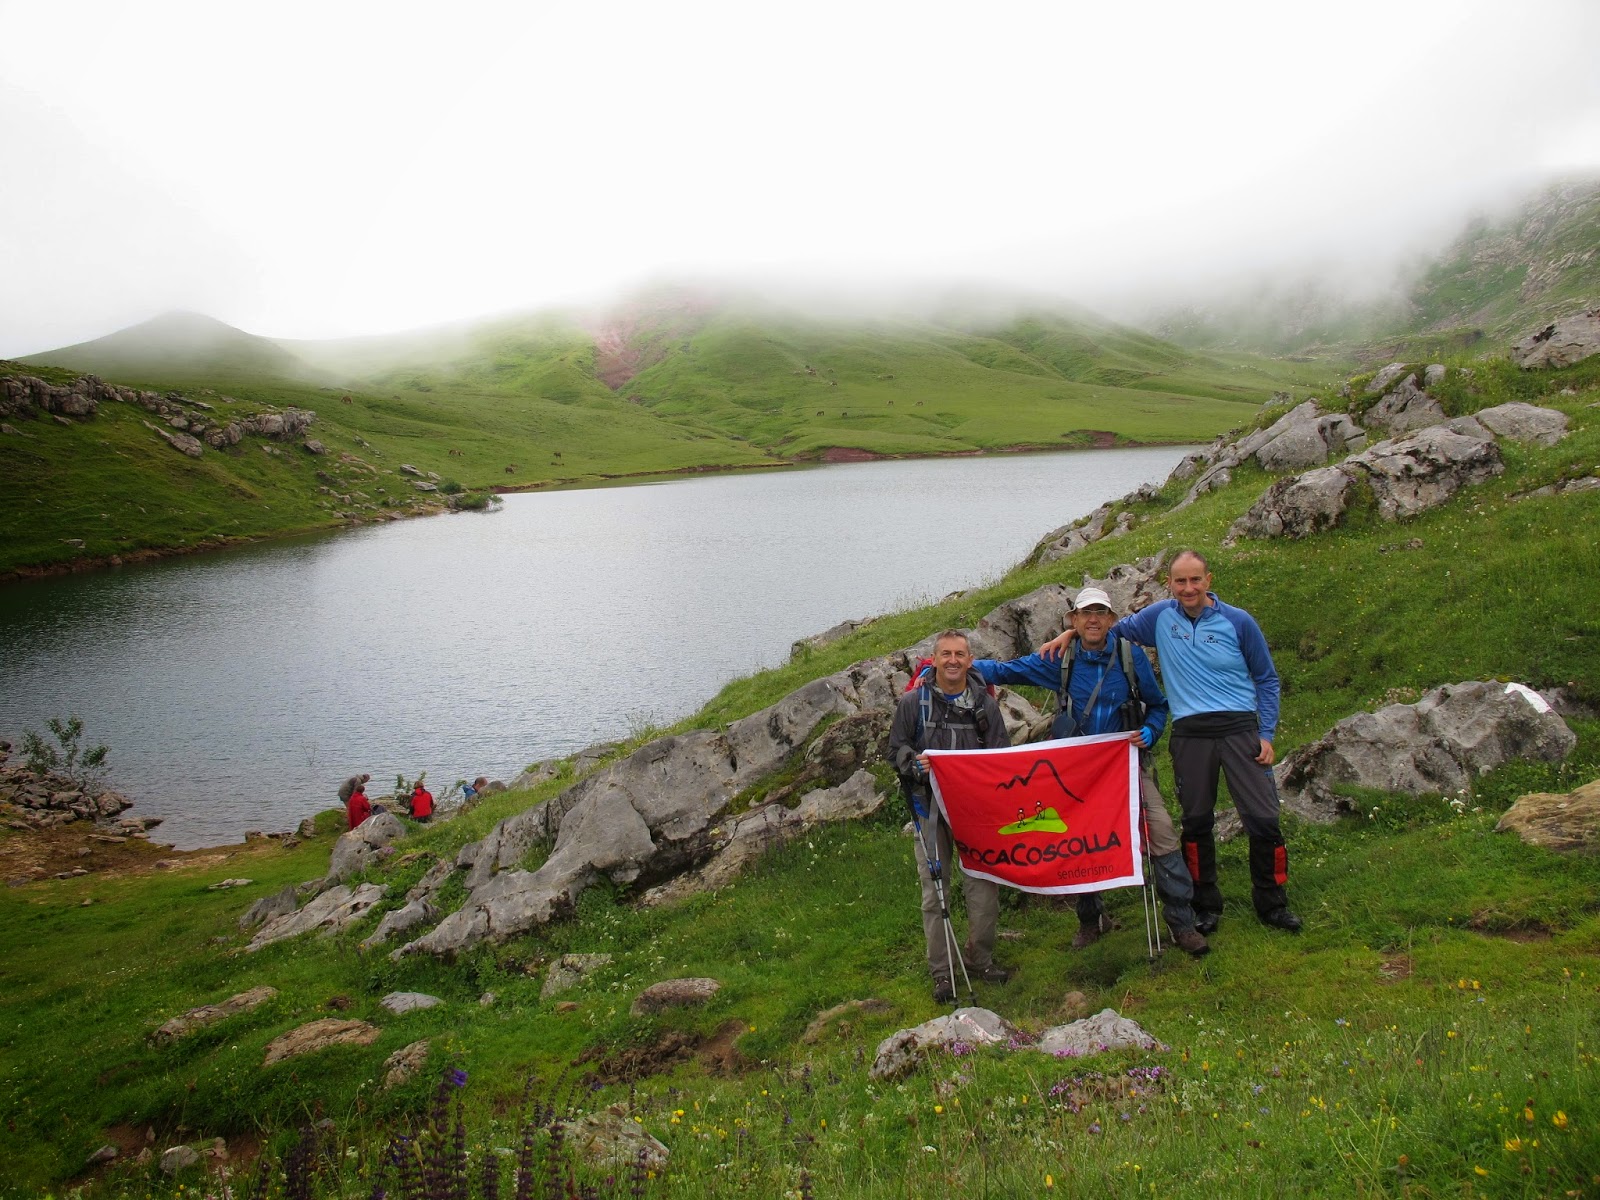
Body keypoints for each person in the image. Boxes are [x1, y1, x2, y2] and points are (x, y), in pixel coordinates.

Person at [1040, 551, 1301, 934]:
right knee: (1196, 821)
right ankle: (1206, 906)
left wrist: (1266, 734)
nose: (1188, 588)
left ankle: (1273, 904)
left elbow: (1266, 677)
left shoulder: (1238, 621)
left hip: (1240, 728)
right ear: (1170, 584)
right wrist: (1071, 634)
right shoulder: (1160, 616)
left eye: (1195, 580)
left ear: (1208, 580)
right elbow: (1107, 629)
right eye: (1181, 581)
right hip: (1190, 732)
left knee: (1263, 819)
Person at [972, 586, 1209, 957]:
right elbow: (1007, 671)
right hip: (1076, 775)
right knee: (1079, 842)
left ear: (1111, 619)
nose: (1093, 619)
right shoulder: (1060, 659)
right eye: (1086, 613)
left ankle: (1182, 923)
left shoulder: (1130, 657)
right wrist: (955, 667)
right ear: (1075, 620)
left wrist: (1151, 731)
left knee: (1161, 835)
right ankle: (1090, 919)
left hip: (1125, 767)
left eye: (1100, 612)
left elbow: (1157, 705)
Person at [889, 629, 1013, 1002]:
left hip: (975, 813)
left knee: (984, 888)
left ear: (970, 660)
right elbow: (896, 749)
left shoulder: (985, 705)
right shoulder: (913, 703)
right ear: (935, 659)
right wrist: (913, 764)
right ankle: (942, 973)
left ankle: (980, 959)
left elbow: (1001, 756)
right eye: (946, 654)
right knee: (934, 893)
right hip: (929, 809)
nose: (953, 661)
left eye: (960, 654)